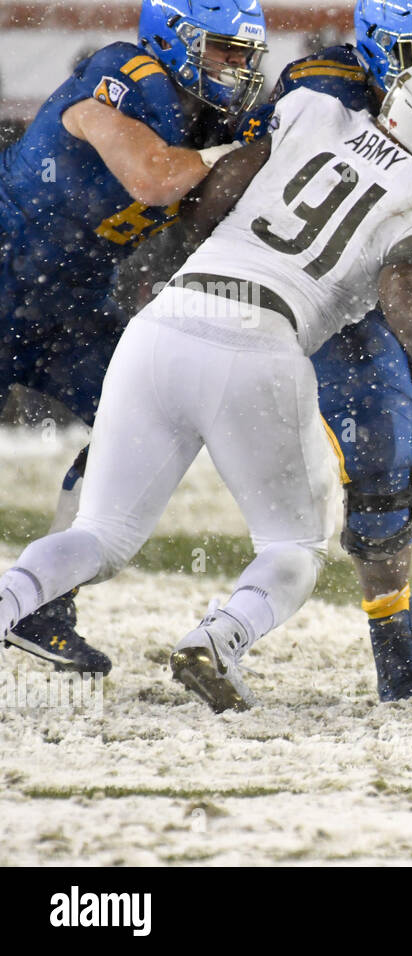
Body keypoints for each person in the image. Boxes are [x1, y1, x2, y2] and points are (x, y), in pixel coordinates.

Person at [0, 62, 412, 714]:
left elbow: (213, 200)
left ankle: (8, 601)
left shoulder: (313, 111)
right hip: (259, 341)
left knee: (101, 536)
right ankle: (217, 639)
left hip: (165, 321)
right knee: (293, 548)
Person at [230, 0, 412, 701]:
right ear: (378, 49)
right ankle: (394, 654)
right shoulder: (319, 91)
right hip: (348, 291)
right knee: (381, 455)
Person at [0, 0, 267, 674]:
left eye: (245, 55)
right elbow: (153, 179)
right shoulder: (124, 73)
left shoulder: (217, 116)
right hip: (7, 274)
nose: (237, 69)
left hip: (72, 304)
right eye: (223, 51)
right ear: (175, 41)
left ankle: (43, 603)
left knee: (139, 422)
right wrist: (242, 150)